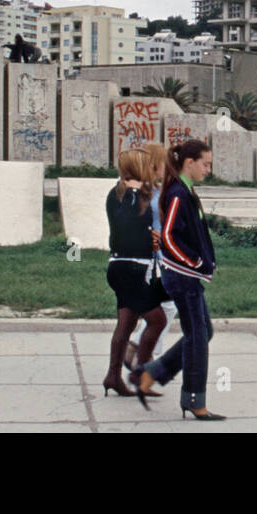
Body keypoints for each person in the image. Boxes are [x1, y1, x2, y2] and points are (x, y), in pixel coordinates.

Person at [131, 138, 224, 420]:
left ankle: (149, 373)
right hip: (182, 277)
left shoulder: (185, 191)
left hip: (187, 276)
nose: (208, 169)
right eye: (205, 164)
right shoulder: (177, 194)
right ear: (189, 163)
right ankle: (194, 401)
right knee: (197, 337)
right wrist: (193, 263)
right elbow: (169, 236)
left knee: (203, 333)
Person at [102, 149, 169, 398]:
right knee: (158, 320)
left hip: (117, 265)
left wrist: (149, 235)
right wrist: (152, 238)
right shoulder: (139, 194)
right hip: (135, 269)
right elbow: (133, 232)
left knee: (126, 323)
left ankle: (113, 376)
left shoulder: (115, 192)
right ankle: (141, 377)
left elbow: (122, 229)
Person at [123, 142, 178, 372]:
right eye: (165, 163)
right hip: (153, 258)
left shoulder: (154, 190)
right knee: (167, 306)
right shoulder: (147, 193)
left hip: (159, 256)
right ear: (155, 164)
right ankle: (140, 348)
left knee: (164, 306)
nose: (168, 168)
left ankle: (146, 352)